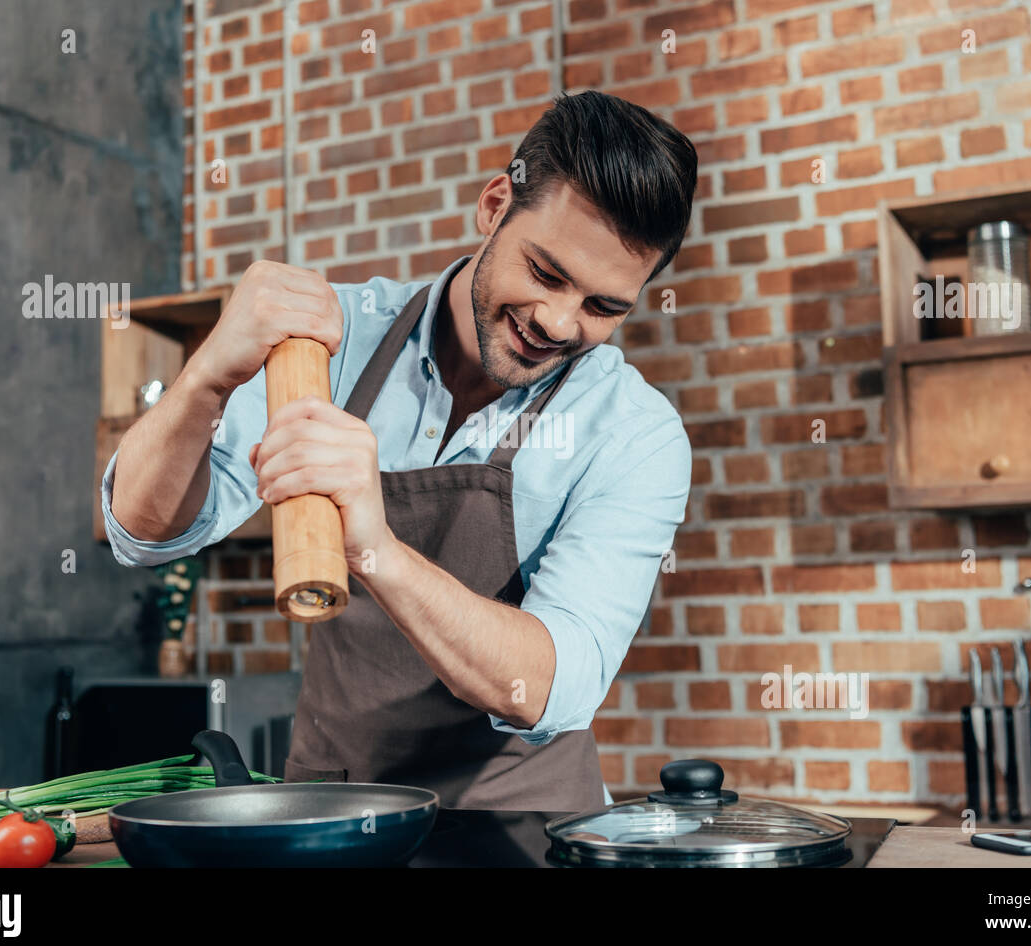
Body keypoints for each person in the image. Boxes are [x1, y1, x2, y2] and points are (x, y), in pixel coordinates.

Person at [103, 90, 697, 813]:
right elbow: (140, 532)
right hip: (335, 815)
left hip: (515, 829)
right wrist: (208, 377)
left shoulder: (634, 434)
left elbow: (551, 684)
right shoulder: (330, 340)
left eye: (604, 307)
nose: (557, 321)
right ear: (493, 206)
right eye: (545, 272)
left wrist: (374, 544)